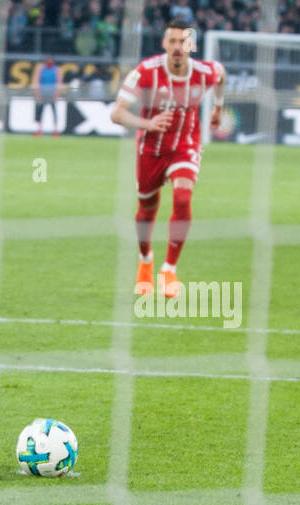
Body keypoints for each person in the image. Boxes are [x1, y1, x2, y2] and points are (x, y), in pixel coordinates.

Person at [110, 18, 224, 297]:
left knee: (183, 199)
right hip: (150, 149)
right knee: (147, 211)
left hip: (185, 145)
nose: (177, 47)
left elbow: (220, 74)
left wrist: (218, 109)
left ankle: (169, 270)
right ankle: (145, 261)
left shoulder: (202, 73)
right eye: (172, 41)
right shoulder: (146, 72)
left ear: (191, 45)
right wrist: (147, 124)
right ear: (164, 44)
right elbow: (117, 113)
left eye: (183, 41)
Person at [31, 55, 60, 136]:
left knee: (54, 112)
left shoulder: (56, 70)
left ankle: (55, 130)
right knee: (40, 112)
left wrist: (57, 94)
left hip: (51, 94)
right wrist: (37, 94)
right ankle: (39, 129)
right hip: (42, 93)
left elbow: (58, 82)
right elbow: (37, 81)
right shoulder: (41, 69)